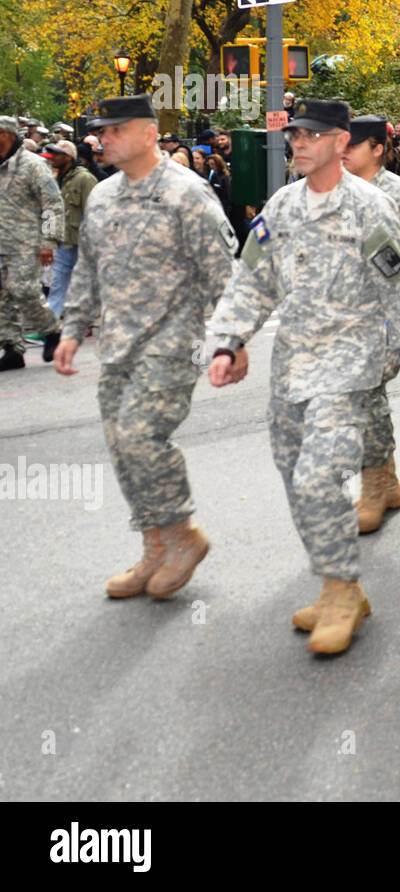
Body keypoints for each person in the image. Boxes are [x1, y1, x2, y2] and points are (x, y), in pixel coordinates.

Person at [206, 98, 400, 655]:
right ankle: (339, 585)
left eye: (310, 134)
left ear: (338, 141)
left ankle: (339, 589)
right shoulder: (281, 207)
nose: (298, 142)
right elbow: (251, 280)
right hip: (291, 368)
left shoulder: (371, 208)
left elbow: (399, 289)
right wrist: (230, 340)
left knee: (316, 478)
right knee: (293, 476)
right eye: (295, 134)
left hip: (348, 367)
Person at [54, 95, 236, 598]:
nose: (102, 138)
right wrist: (72, 331)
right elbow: (88, 268)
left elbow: (223, 272)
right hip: (117, 344)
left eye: (114, 130)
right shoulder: (104, 195)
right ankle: (154, 547)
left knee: (140, 435)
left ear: (148, 132)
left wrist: (231, 341)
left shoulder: (187, 192)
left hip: (172, 342)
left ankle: (183, 535)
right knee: (121, 445)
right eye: (101, 131)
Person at [342, 114, 400, 534]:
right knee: (356, 399)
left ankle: (376, 485)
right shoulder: (331, 191)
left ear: (377, 148)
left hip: (384, 316)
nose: (341, 152)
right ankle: (388, 481)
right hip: (343, 319)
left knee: (364, 394)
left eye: (352, 145)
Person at [0, 114, 64, 369]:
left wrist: (48, 241)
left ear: (11, 135)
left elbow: (52, 204)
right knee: (2, 297)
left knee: (24, 291)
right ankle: (12, 348)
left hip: (26, 243)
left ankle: (52, 331)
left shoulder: (33, 165)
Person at [42, 139, 97, 319]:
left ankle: (88, 321)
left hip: (81, 242)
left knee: (86, 284)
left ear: (67, 157)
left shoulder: (84, 178)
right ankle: (50, 326)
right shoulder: (56, 178)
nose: (52, 158)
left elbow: (94, 211)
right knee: (58, 283)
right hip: (63, 242)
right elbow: (49, 210)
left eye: (56, 154)